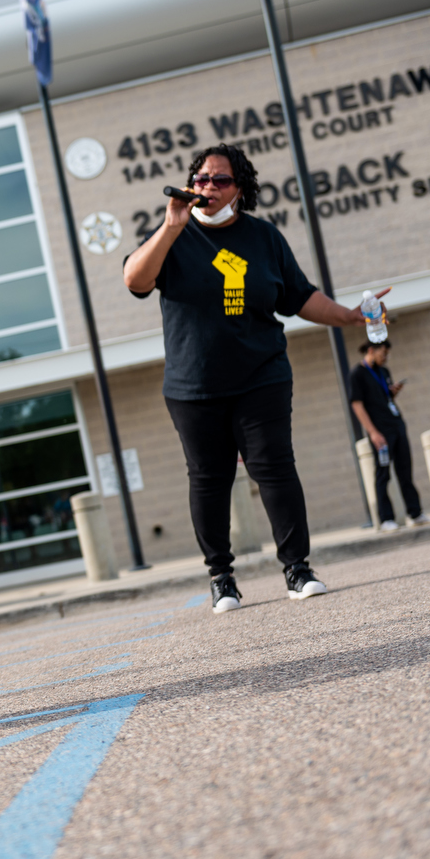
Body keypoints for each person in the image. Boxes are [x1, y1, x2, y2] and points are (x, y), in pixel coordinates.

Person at [123, 143, 388, 614]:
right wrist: (169, 228)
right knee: (209, 478)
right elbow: (135, 281)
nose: (206, 186)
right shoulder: (173, 235)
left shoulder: (264, 238)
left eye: (219, 179)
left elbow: (300, 296)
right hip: (193, 384)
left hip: (260, 376)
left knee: (274, 467)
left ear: (239, 190)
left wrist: (350, 316)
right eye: (200, 178)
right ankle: (221, 577)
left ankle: (297, 568)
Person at [348, 340, 427, 531]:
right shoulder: (357, 374)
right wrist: (373, 433)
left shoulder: (384, 371)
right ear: (371, 350)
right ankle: (386, 519)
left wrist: (392, 393)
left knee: (405, 470)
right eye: (383, 353)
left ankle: (415, 513)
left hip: (396, 425)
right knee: (383, 474)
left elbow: (383, 397)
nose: (385, 357)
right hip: (380, 431)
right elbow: (357, 405)